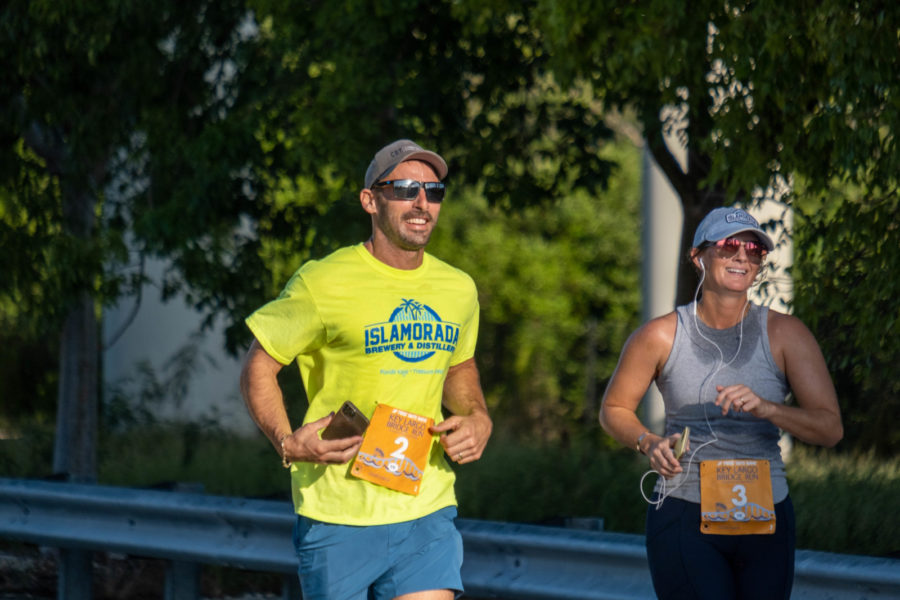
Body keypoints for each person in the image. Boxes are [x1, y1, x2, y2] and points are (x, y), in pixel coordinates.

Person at [239, 139, 492, 600]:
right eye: (405, 189)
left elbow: (460, 364)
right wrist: (288, 441)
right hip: (339, 512)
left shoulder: (458, 289)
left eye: (434, 192)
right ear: (370, 200)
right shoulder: (323, 281)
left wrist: (477, 415)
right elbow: (258, 368)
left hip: (425, 505)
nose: (422, 203)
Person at [599, 206, 843, 600]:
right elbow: (613, 410)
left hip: (766, 516)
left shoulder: (786, 334)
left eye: (754, 250)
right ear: (698, 256)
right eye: (729, 246)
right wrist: (649, 442)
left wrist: (768, 409)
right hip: (684, 511)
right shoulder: (661, 335)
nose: (742, 256)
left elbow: (830, 428)